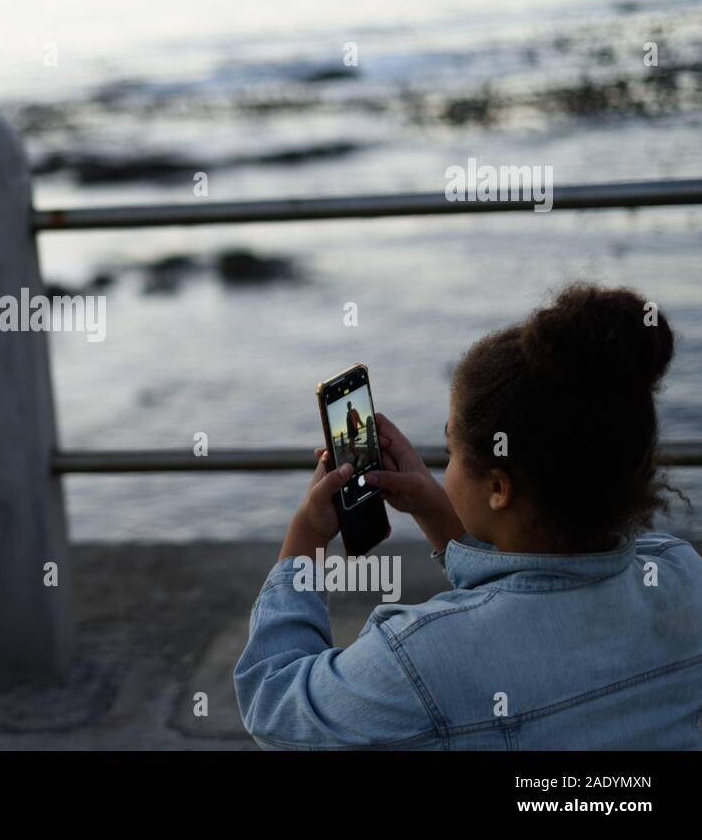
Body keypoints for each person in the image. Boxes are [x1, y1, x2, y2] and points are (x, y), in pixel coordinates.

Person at [235, 283, 701, 748]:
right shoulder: (682, 576)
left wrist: (307, 536)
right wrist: (438, 513)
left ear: (498, 488)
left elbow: (275, 703)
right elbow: (534, 600)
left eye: (452, 445)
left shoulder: (418, 658)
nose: (445, 464)